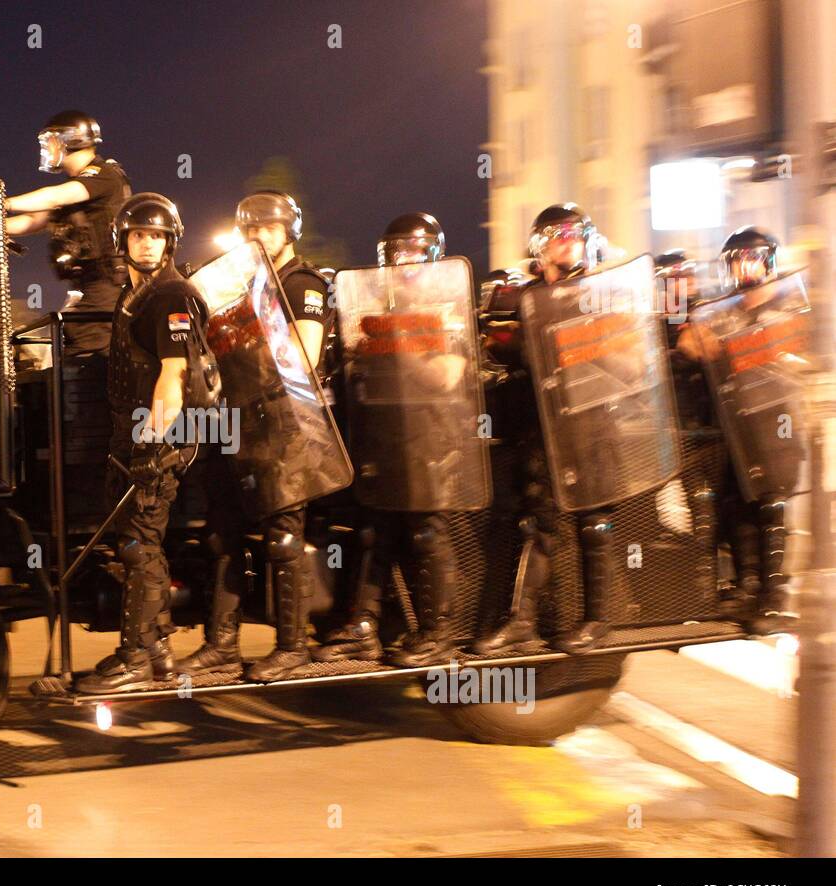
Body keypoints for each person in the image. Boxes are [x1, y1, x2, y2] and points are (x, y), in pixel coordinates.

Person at [177, 190, 341, 682]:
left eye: (268, 229)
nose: (259, 238)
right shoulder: (241, 288)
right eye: (251, 230)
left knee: (284, 536)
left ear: (289, 231)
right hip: (239, 423)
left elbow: (305, 359)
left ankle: (292, 648)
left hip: (287, 425)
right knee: (219, 533)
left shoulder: (301, 282)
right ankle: (221, 646)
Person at [315, 213, 483, 666]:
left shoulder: (449, 313)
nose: (405, 261)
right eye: (398, 252)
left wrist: (398, 342)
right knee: (374, 531)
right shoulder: (377, 312)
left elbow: (446, 377)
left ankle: (438, 633)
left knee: (428, 533)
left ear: (432, 256)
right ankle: (363, 628)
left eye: (415, 251)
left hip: (433, 435)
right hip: (384, 436)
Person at [473, 203, 619, 656]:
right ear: (540, 245)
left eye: (575, 235)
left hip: (591, 425)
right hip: (540, 431)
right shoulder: (526, 298)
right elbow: (504, 356)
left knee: (594, 524)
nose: (567, 243)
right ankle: (523, 622)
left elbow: (623, 358)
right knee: (539, 525)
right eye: (558, 236)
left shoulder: (601, 293)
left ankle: (599, 620)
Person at [78, 193, 207, 694]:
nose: (149, 245)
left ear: (170, 243)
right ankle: (158, 653)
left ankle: (135, 658)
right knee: (134, 543)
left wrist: (153, 446)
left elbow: (173, 375)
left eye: (157, 237)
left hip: (159, 440)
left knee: (138, 545)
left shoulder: (170, 296)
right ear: (123, 241)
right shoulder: (134, 294)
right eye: (139, 235)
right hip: (130, 437)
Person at [680, 226, 804, 634]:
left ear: (768, 261)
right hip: (737, 425)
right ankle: (748, 588)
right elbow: (691, 340)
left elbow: (793, 357)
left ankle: (772, 596)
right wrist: (693, 337)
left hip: (777, 422)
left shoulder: (789, 307)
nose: (743, 267)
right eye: (736, 260)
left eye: (750, 258)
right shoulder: (724, 312)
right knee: (736, 504)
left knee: (770, 505)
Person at [3, 110, 131, 355]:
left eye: (51, 141)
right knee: (71, 340)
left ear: (71, 139)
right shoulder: (77, 187)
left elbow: (56, 197)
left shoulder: (103, 176)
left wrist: (3, 202)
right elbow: (33, 220)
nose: (47, 149)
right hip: (89, 287)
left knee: (83, 351)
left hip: (106, 287)